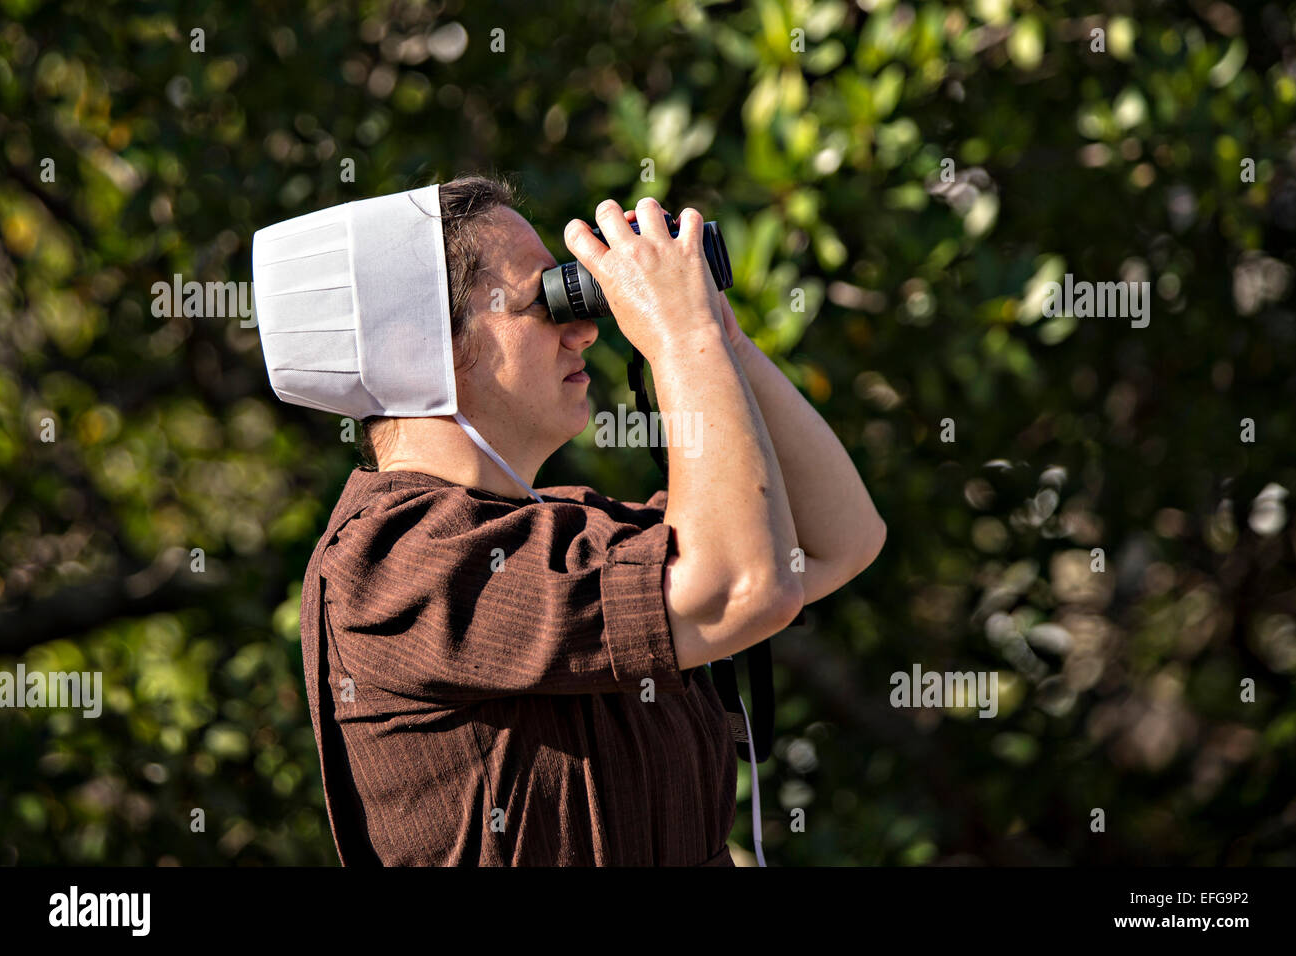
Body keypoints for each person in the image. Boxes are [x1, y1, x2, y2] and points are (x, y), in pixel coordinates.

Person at [252, 174, 886, 866]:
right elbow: (740, 585)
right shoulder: (393, 564)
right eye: (545, 303)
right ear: (421, 345)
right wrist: (681, 335)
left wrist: (719, 333)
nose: (584, 329)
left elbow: (835, 541)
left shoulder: (568, 528)